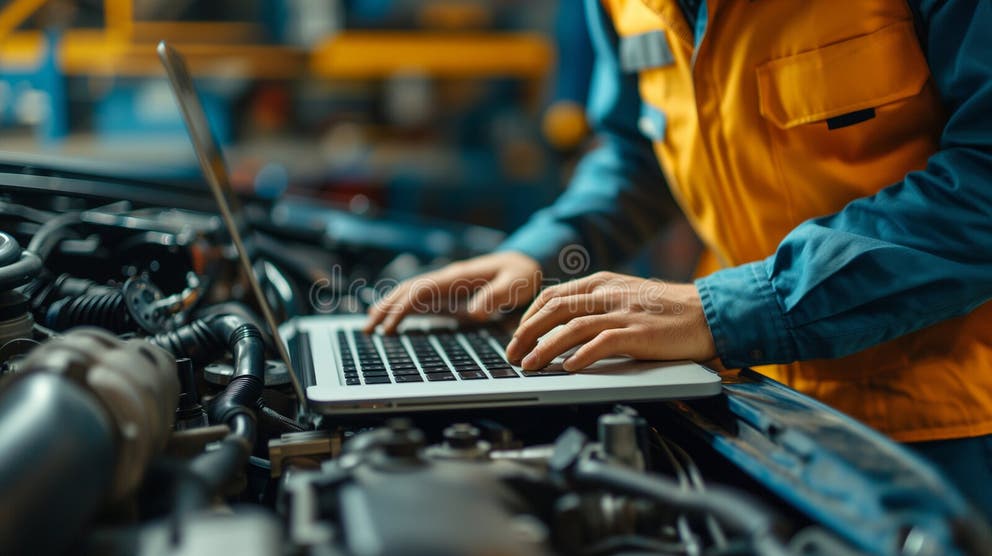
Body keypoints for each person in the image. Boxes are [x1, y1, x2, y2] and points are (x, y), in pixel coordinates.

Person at [365, 0, 992, 516]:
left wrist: (721, 310)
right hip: (753, 401)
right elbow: (637, 149)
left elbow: (983, 184)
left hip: (946, 421)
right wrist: (538, 251)